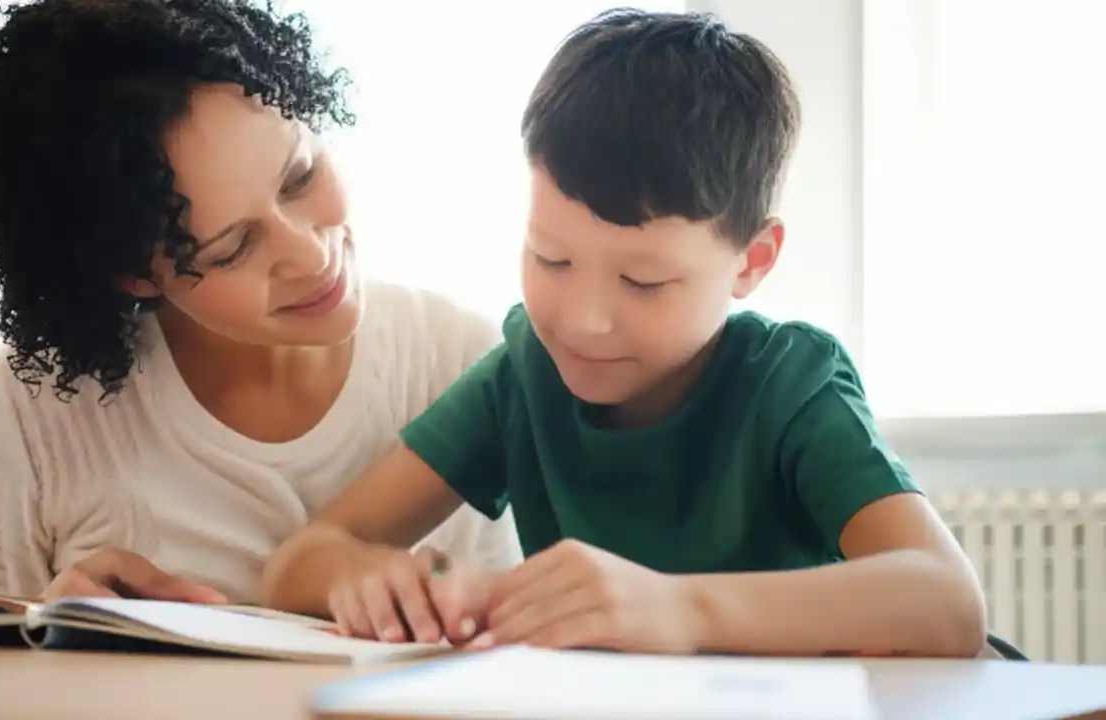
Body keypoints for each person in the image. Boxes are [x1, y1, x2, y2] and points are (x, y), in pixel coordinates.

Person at [262, 9, 987, 657]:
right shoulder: (525, 375)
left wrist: (675, 608)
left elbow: (949, 605)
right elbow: (300, 560)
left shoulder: (790, 384)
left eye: (644, 282)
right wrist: (372, 578)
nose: (582, 319)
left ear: (752, 261)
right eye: (552, 257)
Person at [0, 0, 519, 605]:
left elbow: (514, 667)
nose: (310, 256)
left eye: (300, 177)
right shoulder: (44, 405)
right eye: (233, 248)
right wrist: (55, 638)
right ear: (134, 275)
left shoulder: (460, 362)